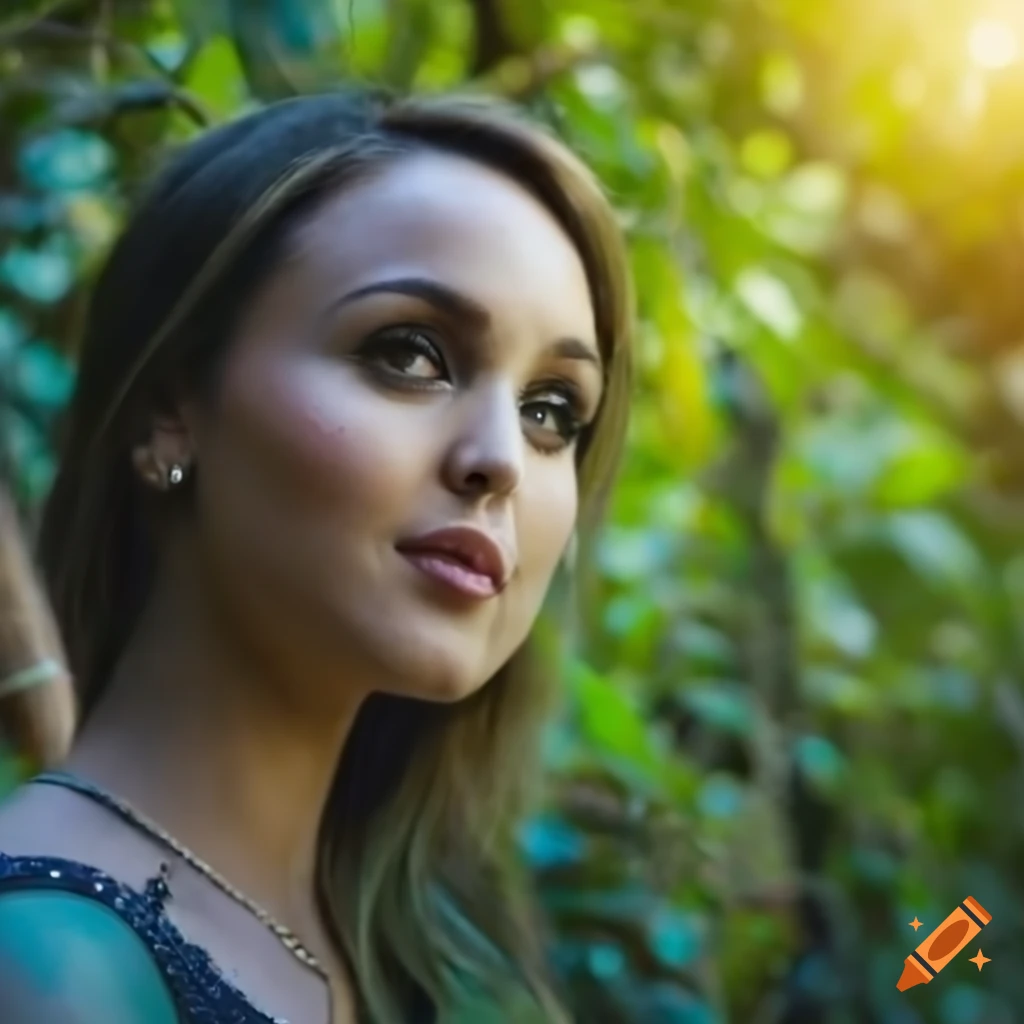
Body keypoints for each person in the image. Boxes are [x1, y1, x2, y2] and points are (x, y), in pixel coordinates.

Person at [0, 87, 633, 1023]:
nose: (501, 458)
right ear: (172, 409)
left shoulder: (429, 960)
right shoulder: (48, 967)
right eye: (411, 354)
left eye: (552, 412)